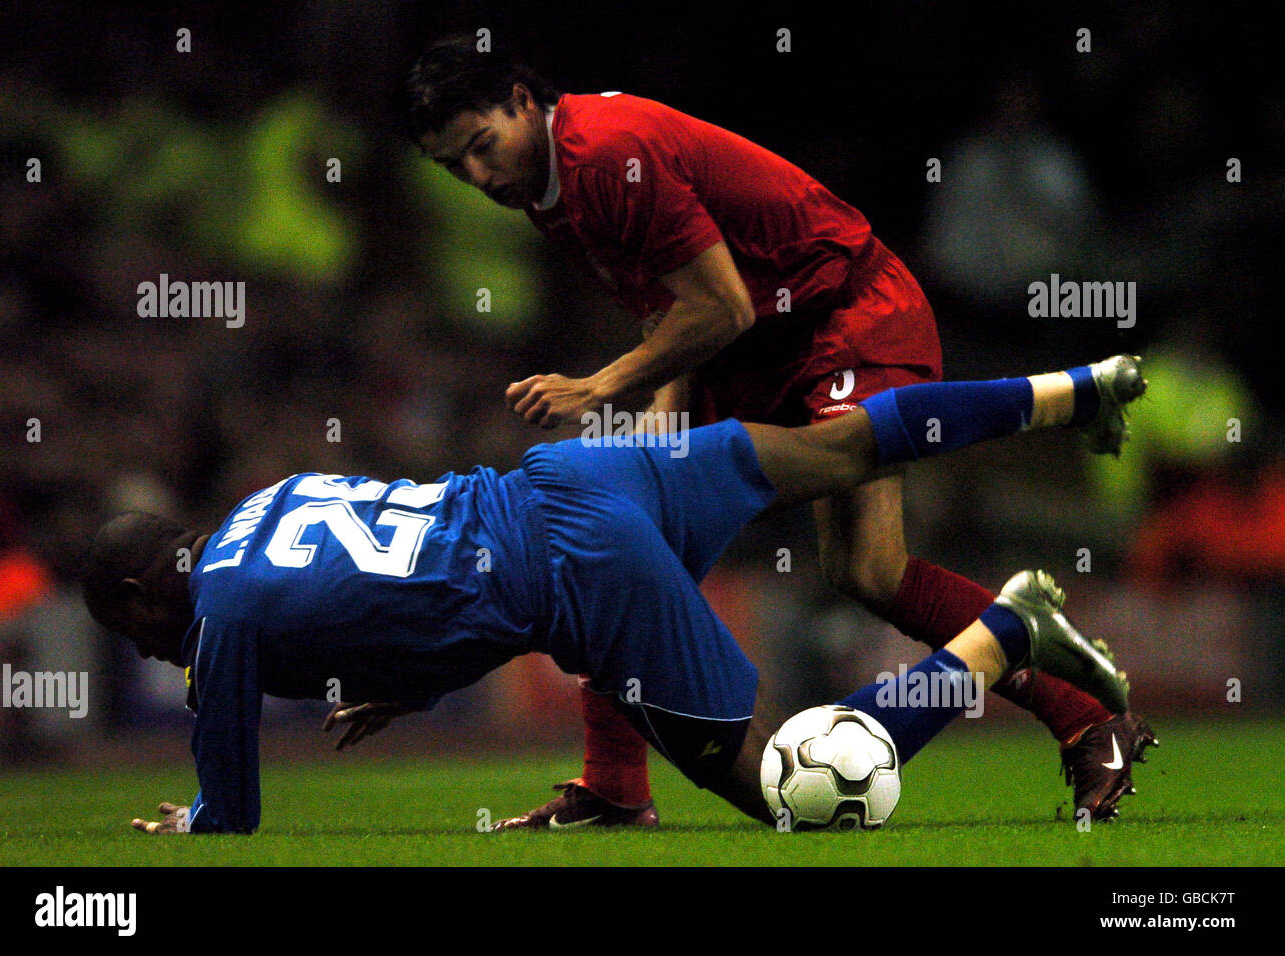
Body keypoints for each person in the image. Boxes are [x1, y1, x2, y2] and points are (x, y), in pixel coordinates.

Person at [401, 36, 1155, 826]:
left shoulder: (603, 153)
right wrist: (662, 434)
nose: (479, 176)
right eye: (456, 167)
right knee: (629, 539)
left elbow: (718, 306)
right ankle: (615, 784)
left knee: (867, 569)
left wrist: (598, 388)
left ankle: (1082, 701)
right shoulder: (546, 188)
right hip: (751, 350)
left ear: (523, 101)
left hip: (844, 314)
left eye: (483, 146)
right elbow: (676, 308)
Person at [81, 358, 1144, 834]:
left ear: (140, 593)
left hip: (581, 567)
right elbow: (415, 584)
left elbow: (231, 812)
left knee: (792, 793)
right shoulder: (272, 499)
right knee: (841, 442)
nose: (137, 650)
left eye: (123, 627)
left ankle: (1004, 632)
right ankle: (1069, 389)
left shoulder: (218, 614)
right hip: (574, 474)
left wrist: (201, 818)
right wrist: (405, 680)